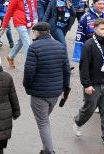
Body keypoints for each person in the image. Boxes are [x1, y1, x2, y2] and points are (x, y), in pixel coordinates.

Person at [22, 22, 70, 154]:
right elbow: (66, 70)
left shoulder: (34, 47)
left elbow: (29, 71)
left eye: (34, 32)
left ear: (37, 33)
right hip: (55, 93)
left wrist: (27, 86)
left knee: (43, 122)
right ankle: (46, 148)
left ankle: (49, 151)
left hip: (39, 94)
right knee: (44, 120)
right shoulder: (60, 46)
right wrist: (65, 88)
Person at [73, 17, 104, 146]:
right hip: (93, 85)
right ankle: (78, 122)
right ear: (95, 29)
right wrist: (87, 84)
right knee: (89, 109)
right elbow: (84, 67)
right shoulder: (88, 45)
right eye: (102, 29)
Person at [0, 0, 38, 70]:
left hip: (29, 22)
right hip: (19, 22)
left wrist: (35, 19)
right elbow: (9, 12)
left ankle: (10, 56)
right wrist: (4, 25)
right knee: (27, 42)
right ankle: (29, 65)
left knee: (21, 41)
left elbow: (34, 8)